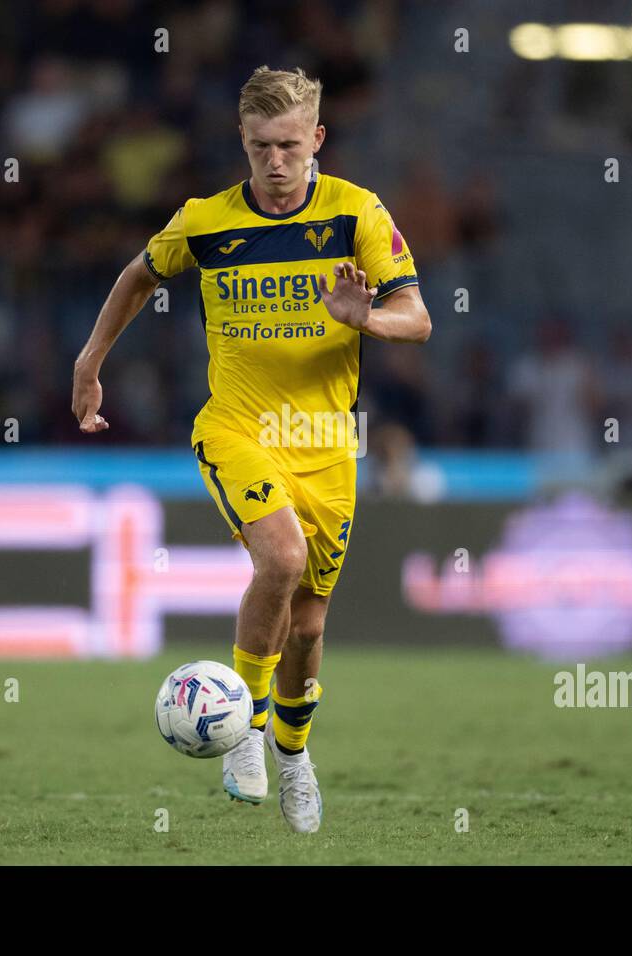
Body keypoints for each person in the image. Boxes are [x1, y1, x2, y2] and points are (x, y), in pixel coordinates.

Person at [71, 66, 430, 832]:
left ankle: (294, 758)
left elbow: (418, 318)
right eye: (262, 145)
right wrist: (90, 360)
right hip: (236, 429)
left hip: (327, 445)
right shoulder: (204, 221)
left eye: (291, 146)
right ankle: (245, 730)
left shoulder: (356, 214)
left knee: (307, 627)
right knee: (281, 559)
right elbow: (139, 276)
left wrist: (364, 318)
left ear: (317, 142)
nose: (275, 162)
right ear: (243, 139)